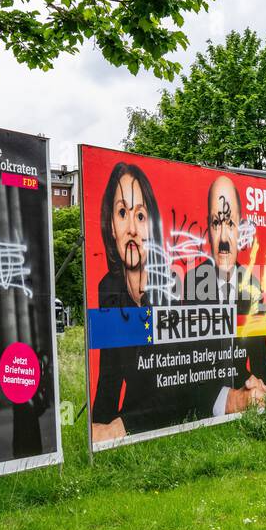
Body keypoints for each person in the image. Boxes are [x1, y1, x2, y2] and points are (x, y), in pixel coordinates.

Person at [89, 161, 179, 443]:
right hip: (131, 423)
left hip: (162, 425)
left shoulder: (172, 288)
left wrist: (120, 428)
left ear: (151, 227)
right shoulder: (109, 289)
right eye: (122, 213)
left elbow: (177, 388)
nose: (131, 228)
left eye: (140, 216)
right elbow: (108, 381)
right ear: (112, 227)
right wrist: (95, 435)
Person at [183, 175, 266, 416]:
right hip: (208, 403)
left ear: (240, 229)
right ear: (208, 231)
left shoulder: (251, 284)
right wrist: (228, 400)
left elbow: (260, 359)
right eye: (216, 223)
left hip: (245, 390)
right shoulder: (193, 282)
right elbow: (189, 368)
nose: (223, 237)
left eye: (230, 223)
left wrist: (263, 390)